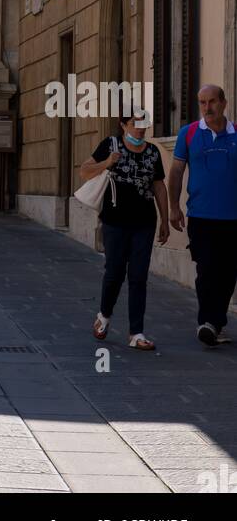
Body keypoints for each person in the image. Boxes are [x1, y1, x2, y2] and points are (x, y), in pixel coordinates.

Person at [79, 108, 168, 350]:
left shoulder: (152, 152)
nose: (140, 128)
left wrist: (166, 220)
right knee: (115, 273)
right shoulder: (110, 144)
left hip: (144, 223)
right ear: (123, 125)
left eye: (143, 124)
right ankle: (104, 316)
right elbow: (84, 171)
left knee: (139, 277)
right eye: (134, 123)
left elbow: (159, 186)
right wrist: (107, 162)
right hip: (115, 222)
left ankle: (136, 333)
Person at [168, 84, 237, 347]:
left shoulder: (236, 135)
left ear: (224, 103)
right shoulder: (189, 134)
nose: (207, 108)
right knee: (206, 270)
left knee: (229, 273)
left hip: (233, 219)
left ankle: (214, 323)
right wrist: (174, 207)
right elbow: (175, 172)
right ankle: (208, 322)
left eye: (212, 102)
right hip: (201, 217)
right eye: (202, 103)